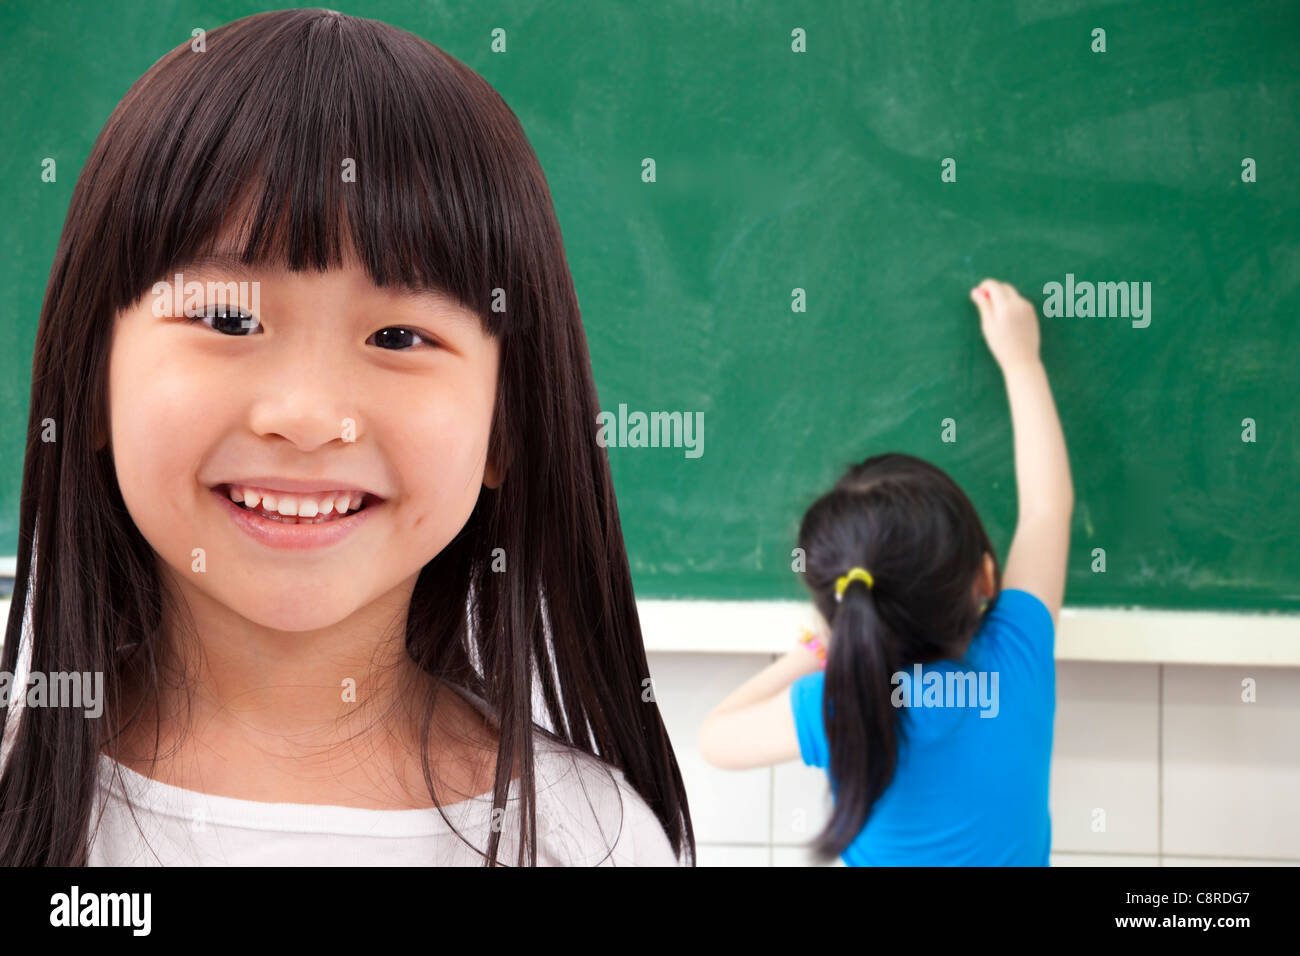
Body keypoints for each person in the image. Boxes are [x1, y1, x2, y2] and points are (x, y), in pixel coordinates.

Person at [0, 8, 691, 866]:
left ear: (505, 429)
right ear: (91, 384)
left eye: (400, 338)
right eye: (224, 316)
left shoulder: (588, 840)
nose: (308, 414)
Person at [698, 279, 1073, 865]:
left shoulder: (840, 703)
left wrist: (817, 653)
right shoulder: (1016, 656)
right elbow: (1049, 509)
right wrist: (1021, 359)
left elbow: (714, 738)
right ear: (986, 578)